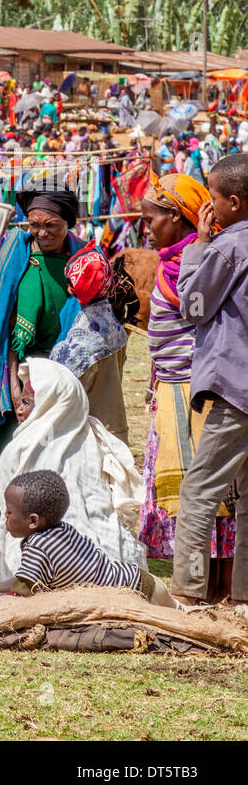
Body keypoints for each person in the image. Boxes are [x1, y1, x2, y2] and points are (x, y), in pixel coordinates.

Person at [137, 174, 236, 589]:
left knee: (210, 501)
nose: (145, 227)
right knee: (189, 501)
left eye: (151, 218)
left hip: (197, 397)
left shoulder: (202, 262)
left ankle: (216, 592)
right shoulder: (173, 262)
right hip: (171, 389)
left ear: (177, 218)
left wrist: (196, 249)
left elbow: (197, 317)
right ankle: (203, 587)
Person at [171, 153, 248, 605]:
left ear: (234, 202)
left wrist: (198, 246)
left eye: (213, 199)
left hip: (233, 388)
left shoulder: (228, 247)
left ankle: (190, 595)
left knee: (199, 493)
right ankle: (241, 600)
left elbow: (193, 308)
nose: (209, 208)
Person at [0, 358, 146, 580]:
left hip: (39, 564)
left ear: (49, 403)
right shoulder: (94, 435)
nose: (20, 409)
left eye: (27, 402)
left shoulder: (23, 447)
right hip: (107, 566)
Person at [0, 471, 175, 607]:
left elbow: (17, 601)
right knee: (178, 610)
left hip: (137, 596)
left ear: (33, 521)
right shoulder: (62, 530)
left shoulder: (38, 546)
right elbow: (21, 582)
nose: (5, 516)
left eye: (9, 512)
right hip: (145, 580)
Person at [0, 181, 85, 449]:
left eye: (51, 225)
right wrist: (16, 390)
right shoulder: (17, 258)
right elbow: (7, 330)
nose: (42, 232)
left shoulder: (85, 261)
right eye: (34, 224)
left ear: (68, 222)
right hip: (21, 376)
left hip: (70, 374)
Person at [49, 244, 129, 441]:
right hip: (114, 431)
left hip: (86, 437)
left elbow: (61, 395)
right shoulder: (116, 325)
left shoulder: (77, 342)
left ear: (70, 287)